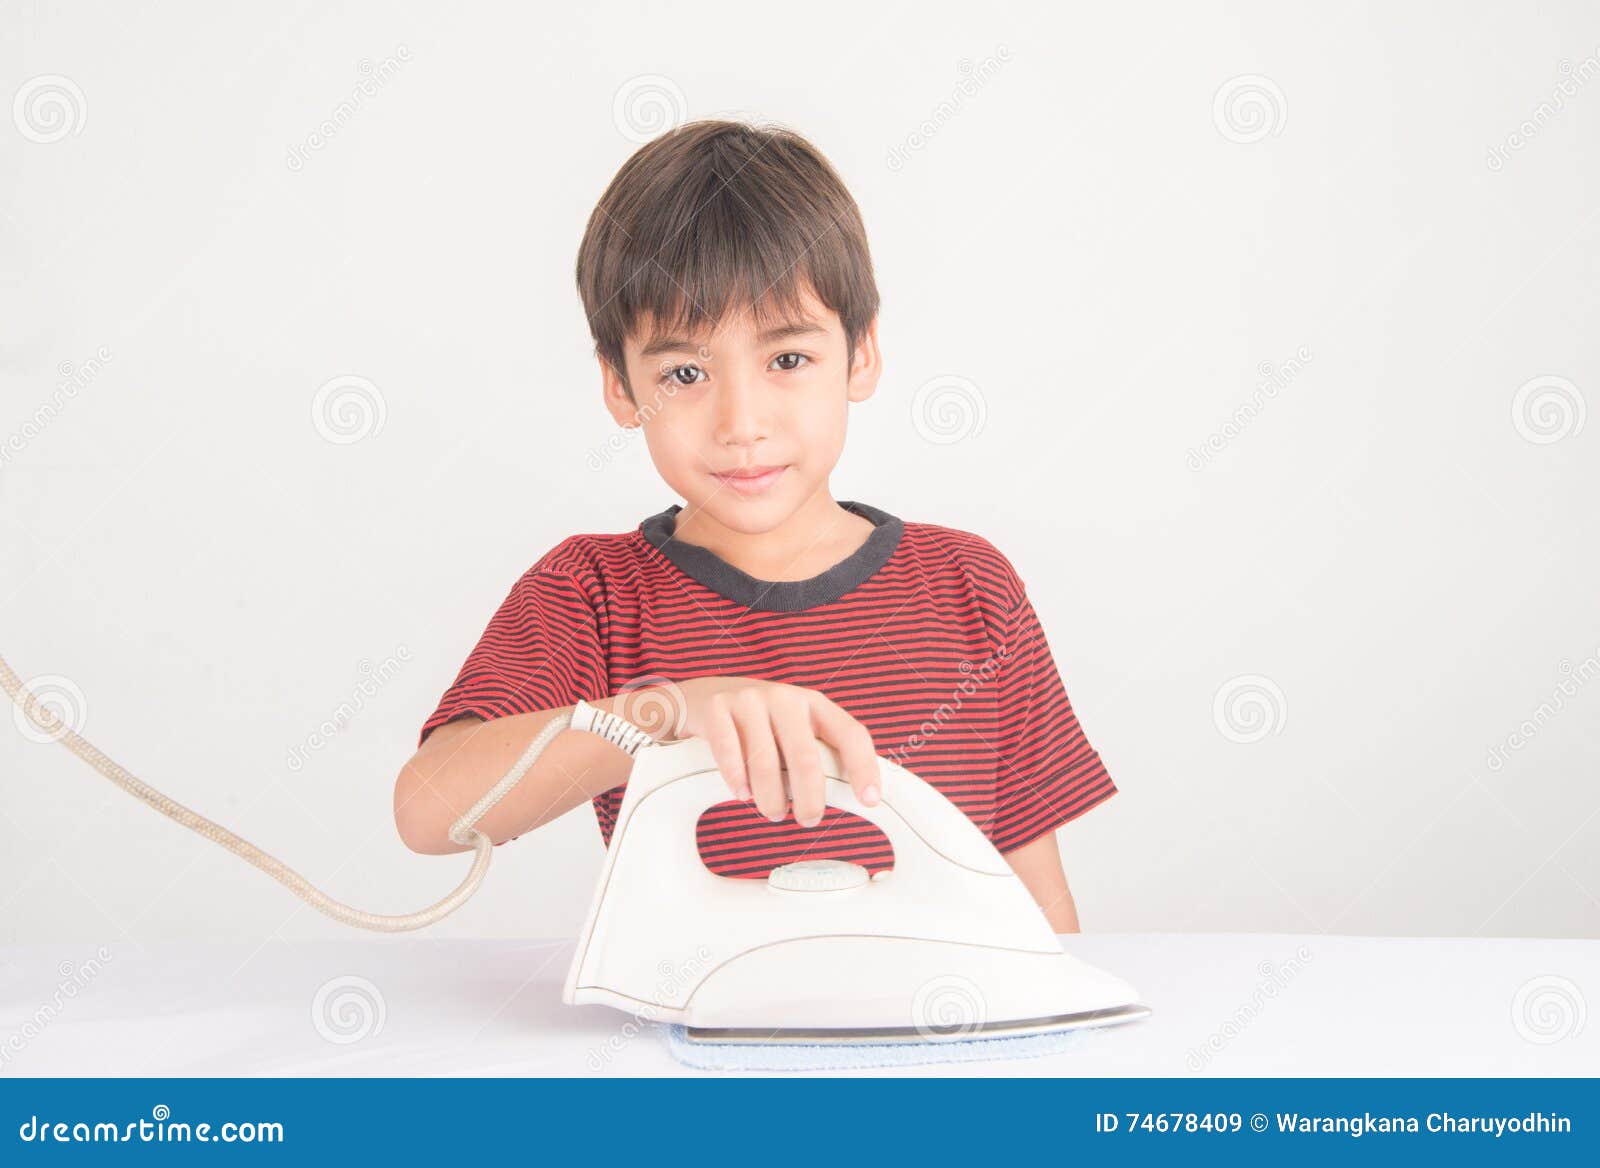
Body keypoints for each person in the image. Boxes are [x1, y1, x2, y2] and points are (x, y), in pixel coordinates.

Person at [392, 119, 1117, 932]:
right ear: (622, 389)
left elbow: (1043, 907)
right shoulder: (592, 596)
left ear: (862, 353)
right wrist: (669, 710)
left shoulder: (968, 587)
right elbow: (429, 811)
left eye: (786, 359)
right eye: (686, 373)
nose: (742, 422)